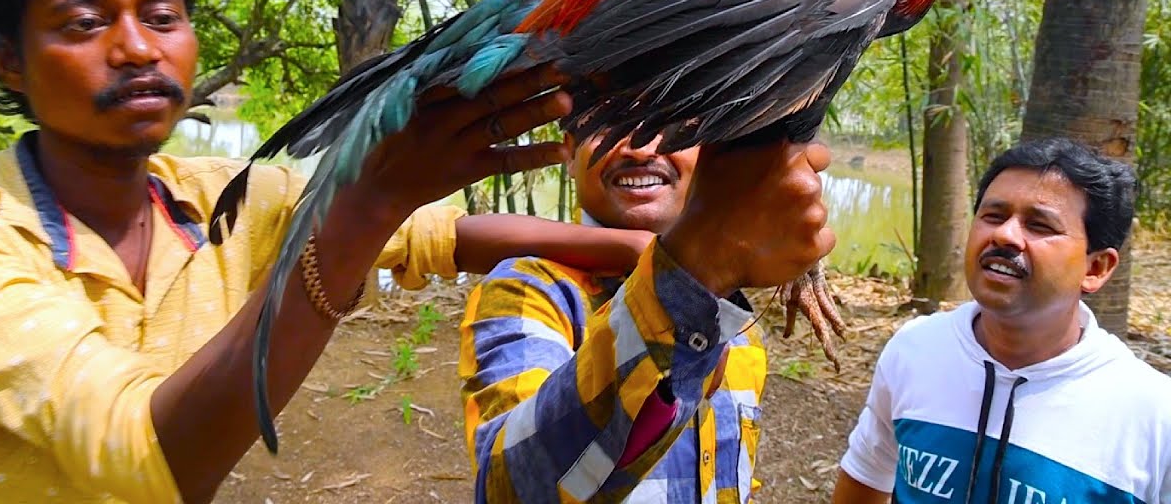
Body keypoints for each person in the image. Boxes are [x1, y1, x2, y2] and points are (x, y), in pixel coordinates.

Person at [0, 0, 653, 504]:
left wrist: (653, 253)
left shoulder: (217, 198)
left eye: (162, 17)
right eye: (85, 24)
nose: (136, 48)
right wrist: (362, 208)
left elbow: (447, 235)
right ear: (7, 60)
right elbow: (152, 461)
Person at [459, 129, 840, 502]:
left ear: (711, 150)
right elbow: (512, 488)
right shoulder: (532, 291)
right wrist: (694, 274)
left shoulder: (737, 328)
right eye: (612, 123)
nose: (641, 147)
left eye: (672, 124)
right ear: (570, 150)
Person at [833, 137, 1171, 504]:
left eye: (1040, 225)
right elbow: (867, 474)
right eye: (993, 216)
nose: (1005, 234)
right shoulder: (916, 349)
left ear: (1095, 268)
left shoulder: (1151, 414)